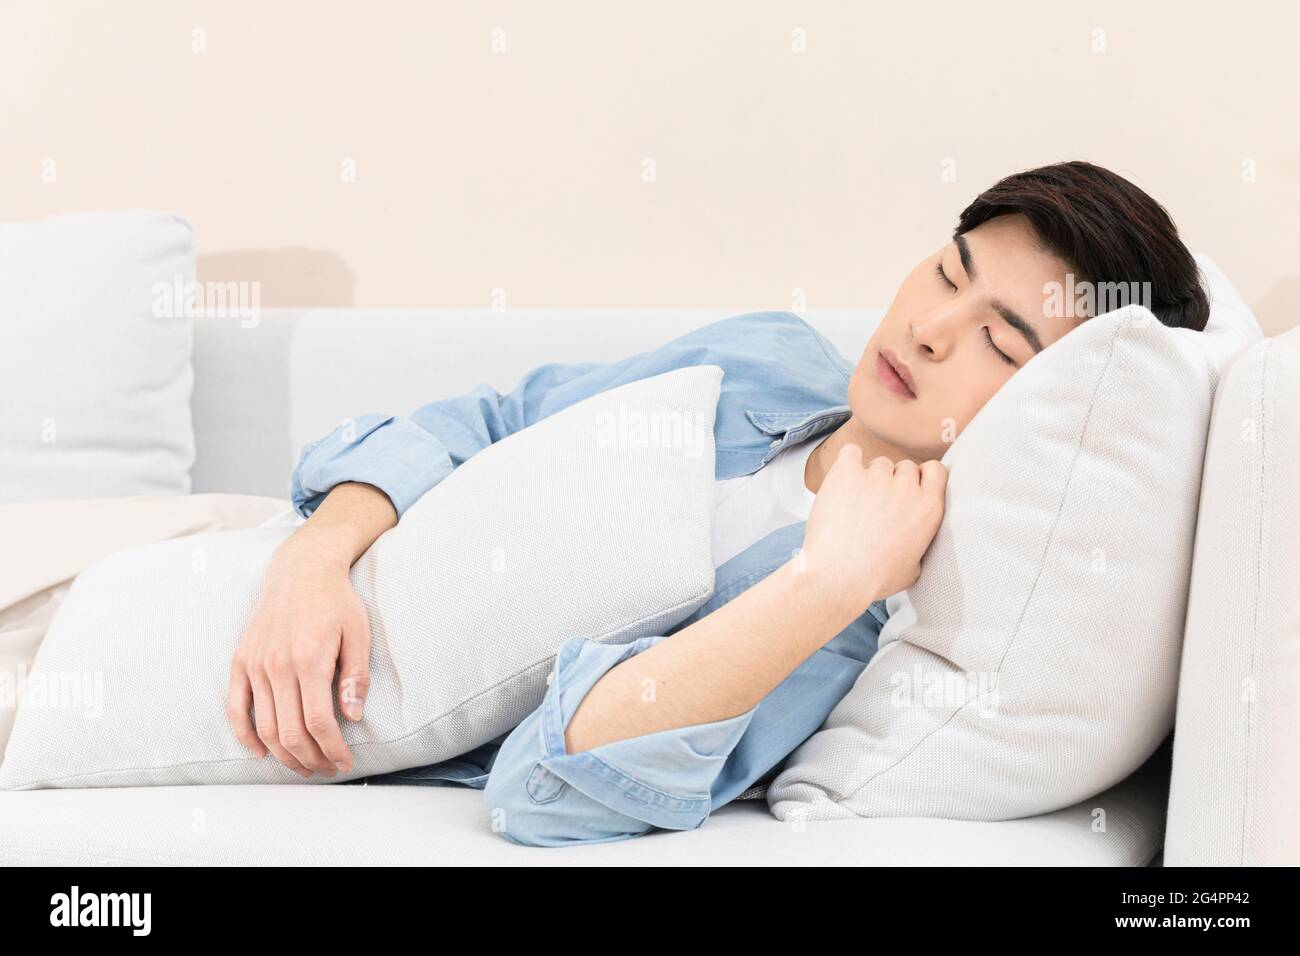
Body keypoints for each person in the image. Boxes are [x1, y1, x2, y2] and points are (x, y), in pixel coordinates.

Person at [225, 160, 1210, 846]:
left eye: (1001, 343)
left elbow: (547, 785)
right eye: (949, 270)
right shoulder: (763, 359)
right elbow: (491, 418)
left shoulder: (860, 611)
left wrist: (828, 582)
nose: (931, 327)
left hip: (283, 702)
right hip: (247, 560)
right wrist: (314, 561)